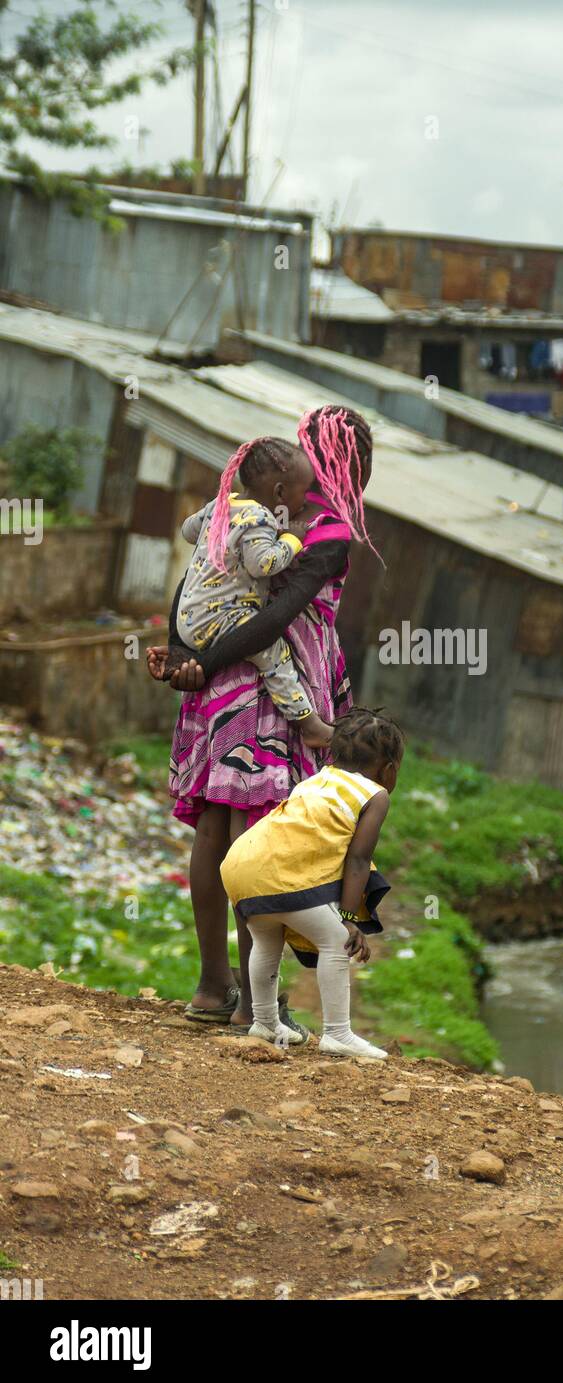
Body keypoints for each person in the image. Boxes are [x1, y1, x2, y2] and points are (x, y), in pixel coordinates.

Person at [146, 405, 377, 1032]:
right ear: (352, 466)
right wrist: (197, 659)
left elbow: (192, 583)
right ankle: (255, 1006)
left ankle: (211, 988)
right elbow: (276, 621)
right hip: (277, 687)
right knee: (261, 835)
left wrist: (188, 658)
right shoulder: (327, 531)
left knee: (217, 829)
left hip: (218, 677)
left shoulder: (245, 508)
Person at [220, 707, 403, 1059]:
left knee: (266, 940)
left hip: (242, 864)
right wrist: (348, 920)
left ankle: (265, 1021)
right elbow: (358, 859)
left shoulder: (315, 780)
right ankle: (338, 1033)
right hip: (281, 872)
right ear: (389, 769)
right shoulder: (375, 795)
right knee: (336, 941)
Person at [176, 435, 333, 747]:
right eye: (302, 494)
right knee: (272, 651)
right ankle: (309, 723)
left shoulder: (221, 505)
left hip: (188, 616)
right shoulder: (260, 518)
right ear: (279, 493)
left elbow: (187, 531)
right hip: (220, 618)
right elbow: (263, 564)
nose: (304, 503)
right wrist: (292, 539)